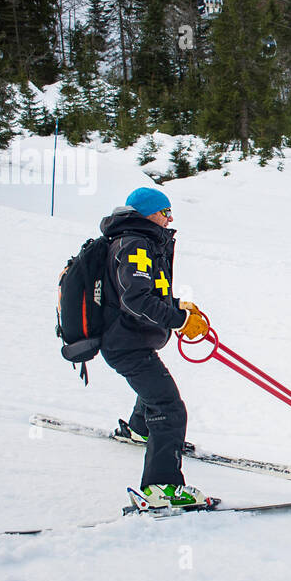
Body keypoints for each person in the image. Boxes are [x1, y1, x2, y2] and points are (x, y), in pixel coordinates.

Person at [99, 187, 210, 510]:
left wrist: (179, 307)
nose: (169, 218)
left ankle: (139, 429)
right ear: (147, 213)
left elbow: (144, 292)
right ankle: (162, 488)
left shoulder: (138, 240)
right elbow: (135, 299)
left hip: (130, 339)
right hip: (126, 343)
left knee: (154, 388)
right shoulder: (135, 243)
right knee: (169, 408)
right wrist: (178, 319)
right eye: (165, 212)